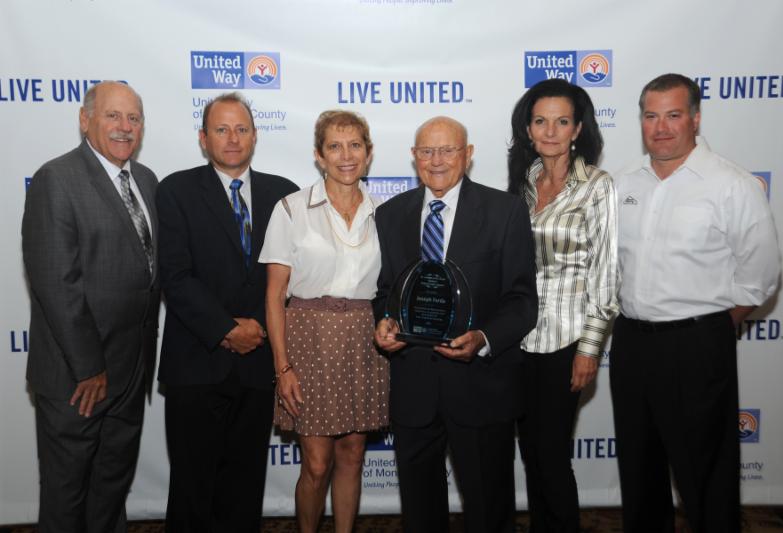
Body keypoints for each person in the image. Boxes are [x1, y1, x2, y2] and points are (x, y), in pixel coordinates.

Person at [611, 73, 780, 532]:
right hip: (631, 343)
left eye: (673, 115)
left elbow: (761, 276)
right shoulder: (623, 182)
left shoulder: (731, 184)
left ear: (696, 119)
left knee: (706, 476)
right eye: (651, 116)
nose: (661, 127)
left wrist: (707, 328)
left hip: (697, 344)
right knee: (639, 474)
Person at [374, 116, 538, 533]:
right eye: (427, 151)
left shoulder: (505, 211)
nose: (437, 160)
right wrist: (385, 322)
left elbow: (522, 301)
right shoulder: (390, 215)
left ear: (468, 154)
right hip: (414, 387)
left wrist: (483, 337)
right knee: (420, 513)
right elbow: (386, 291)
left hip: (480, 385)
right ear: (414, 156)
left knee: (488, 510)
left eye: (448, 150)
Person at [21, 81, 159, 533]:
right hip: (77, 377)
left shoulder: (145, 180)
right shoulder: (56, 179)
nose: (124, 127)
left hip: (130, 370)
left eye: (133, 118)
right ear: (85, 120)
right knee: (67, 495)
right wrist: (89, 368)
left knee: (110, 488)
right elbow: (56, 283)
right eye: (112, 116)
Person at [156, 92, 298, 532]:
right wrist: (225, 329)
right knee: (192, 490)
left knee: (244, 490)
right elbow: (175, 276)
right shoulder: (175, 190)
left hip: (258, 365)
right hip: (196, 364)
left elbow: (290, 278)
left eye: (241, 129)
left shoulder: (284, 194)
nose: (232, 138)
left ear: (255, 136)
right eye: (221, 129)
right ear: (203, 138)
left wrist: (258, 332)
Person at [261, 110, 389, 532]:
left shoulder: (383, 213)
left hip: (363, 339)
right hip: (308, 339)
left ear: (368, 153)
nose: (345, 155)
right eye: (334, 146)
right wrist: (282, 367)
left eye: (355, 145)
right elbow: (275, 295)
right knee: (316, 463)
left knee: (352, 454)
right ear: (319, 155)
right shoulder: (291, 209)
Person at [507, 78, 617, 532]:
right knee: (532, 452)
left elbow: (606, 275)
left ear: (578, 129)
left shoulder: (597, 186)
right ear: (528, 129)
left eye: (562, 121)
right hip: (519, 340)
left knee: (551, 455)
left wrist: (589, 349)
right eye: (540, 121)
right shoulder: (524, 183)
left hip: (567, 340)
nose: (550, 131)